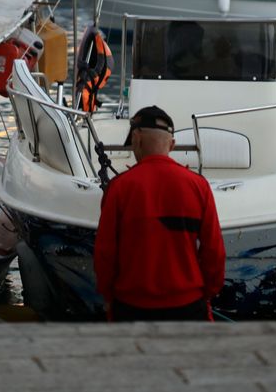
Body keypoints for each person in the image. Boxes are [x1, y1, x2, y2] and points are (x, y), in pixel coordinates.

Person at [94, 105, 225, 322]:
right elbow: (214, 252)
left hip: (131, 307)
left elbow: (105, 253)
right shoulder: (198, 186)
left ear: (137, 139)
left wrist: (109, 295)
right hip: (188, 307)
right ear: (171, 144)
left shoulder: (119, 188)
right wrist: (207, 293)